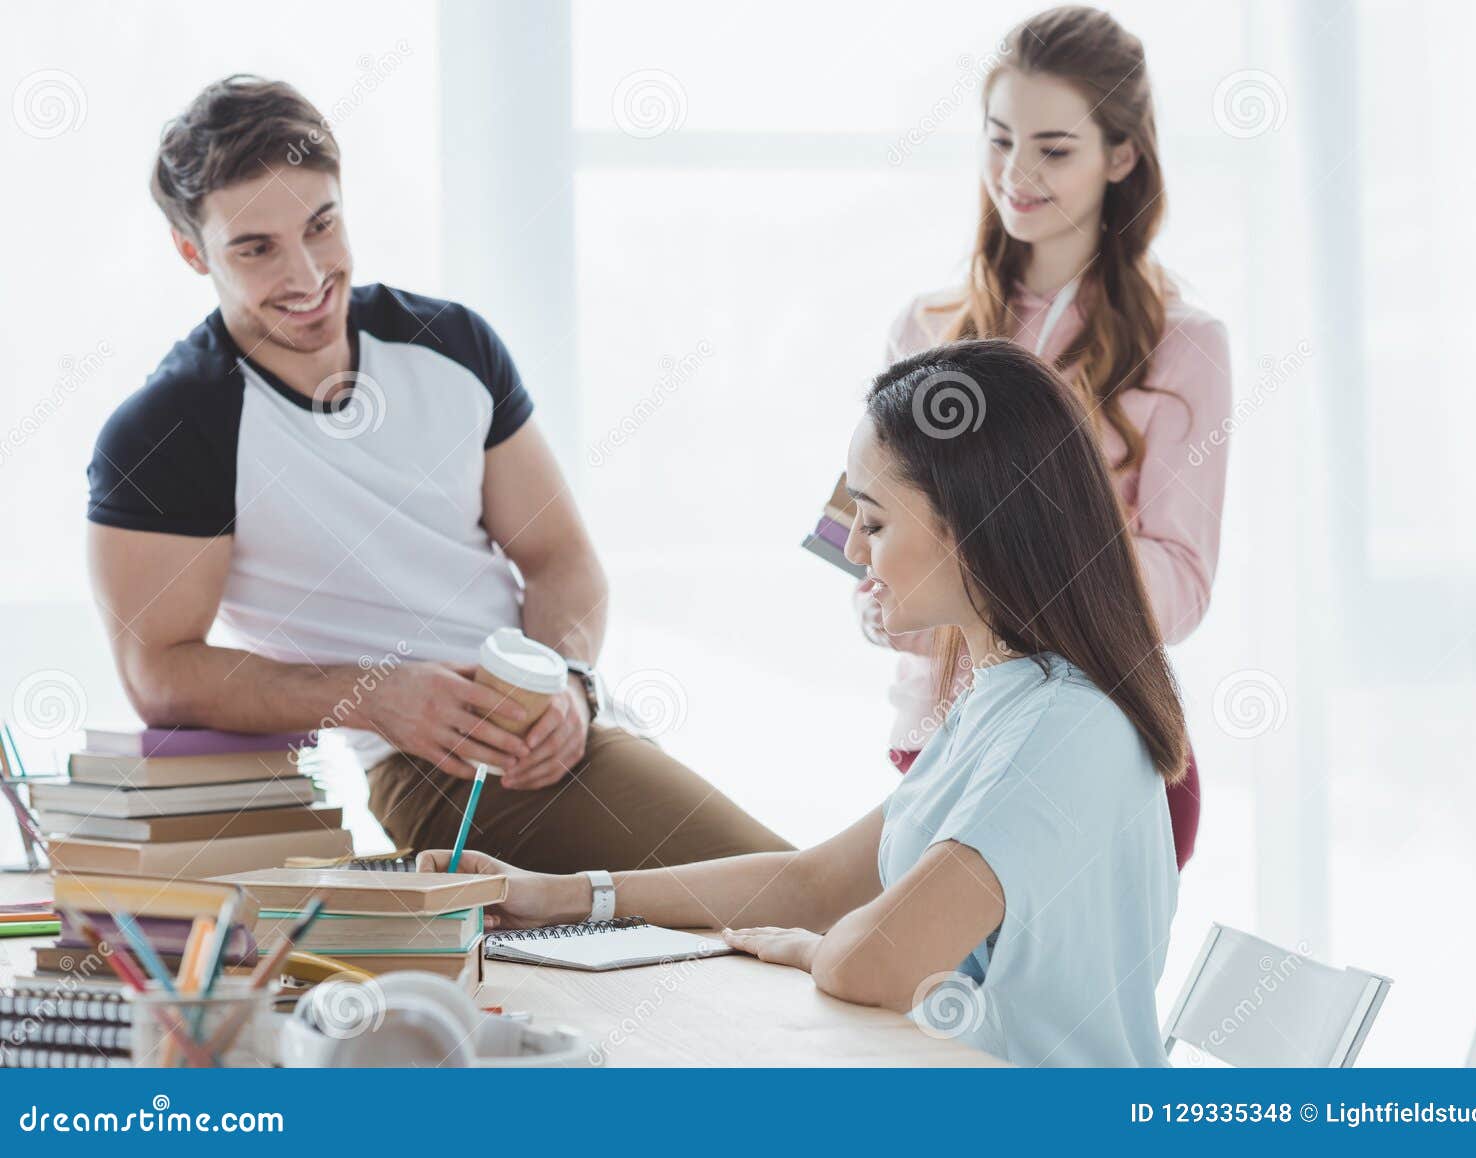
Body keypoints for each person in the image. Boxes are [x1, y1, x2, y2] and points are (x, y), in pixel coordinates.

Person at [85, 76, 788, 870]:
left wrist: (569, 681)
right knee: (784, 889)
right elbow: (160, 671)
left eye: (323, 226)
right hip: (430, 764)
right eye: (257, 248)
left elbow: (560, 559)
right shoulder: (173, 430)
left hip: (560, 720)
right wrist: (375, 696)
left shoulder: (450, 344)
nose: (310, 276)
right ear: (191, 251)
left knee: (789, 898)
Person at [428, 340, 1186, 1067]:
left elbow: (872, 962)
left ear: (975, 523)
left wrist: (814, 950)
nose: (853, 548)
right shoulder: (1006, 699)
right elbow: (816, 883)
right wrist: (559, 898)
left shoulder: (1064, 725)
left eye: (875, 520)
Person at [860, 6, 1232, 869]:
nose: (1016, 173)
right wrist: (882, 601)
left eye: (1054, 149)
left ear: (1122, 154)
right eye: (998, 140)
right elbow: (854, 533)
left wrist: (995, 571)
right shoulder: (922, 328)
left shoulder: (1186, 344)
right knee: (909, 999)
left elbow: (1182, 584)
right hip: (940, 740)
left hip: (1091, 750)